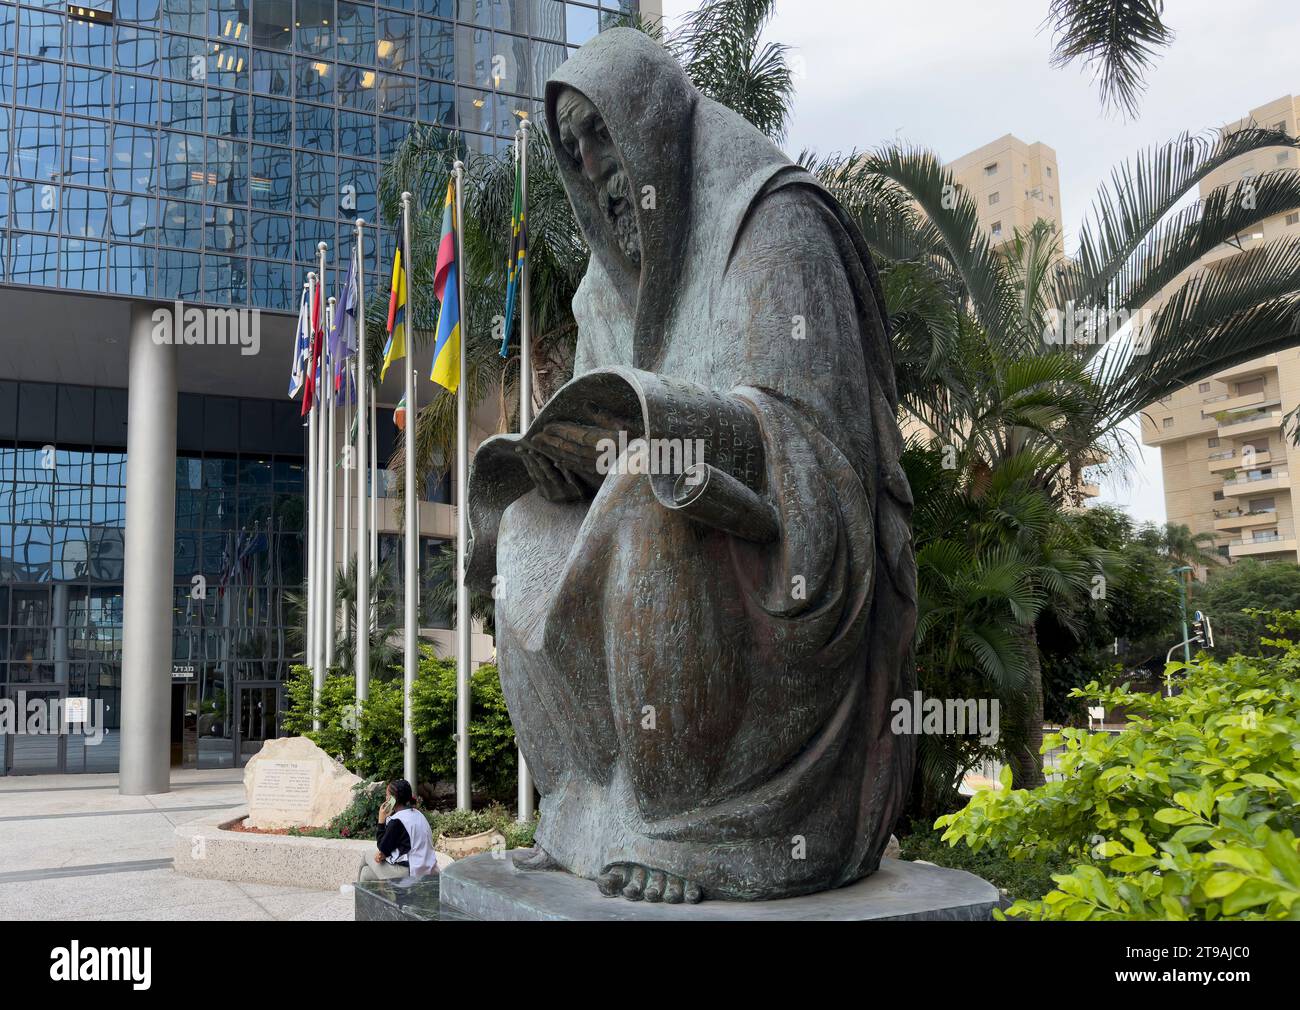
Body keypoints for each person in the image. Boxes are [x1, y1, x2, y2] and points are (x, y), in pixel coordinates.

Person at [356, 779, 437, 882]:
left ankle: (356, 887)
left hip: (408, 873)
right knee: (366, 873)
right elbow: (402, 843)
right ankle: (359, 890)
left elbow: (382, 847)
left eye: (387, 796)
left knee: (367, 855)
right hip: (426, 869)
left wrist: (381, 821)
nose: (385, 798)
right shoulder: (418, 814)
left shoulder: (397, 821)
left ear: (392, 799)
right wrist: (383, 854)